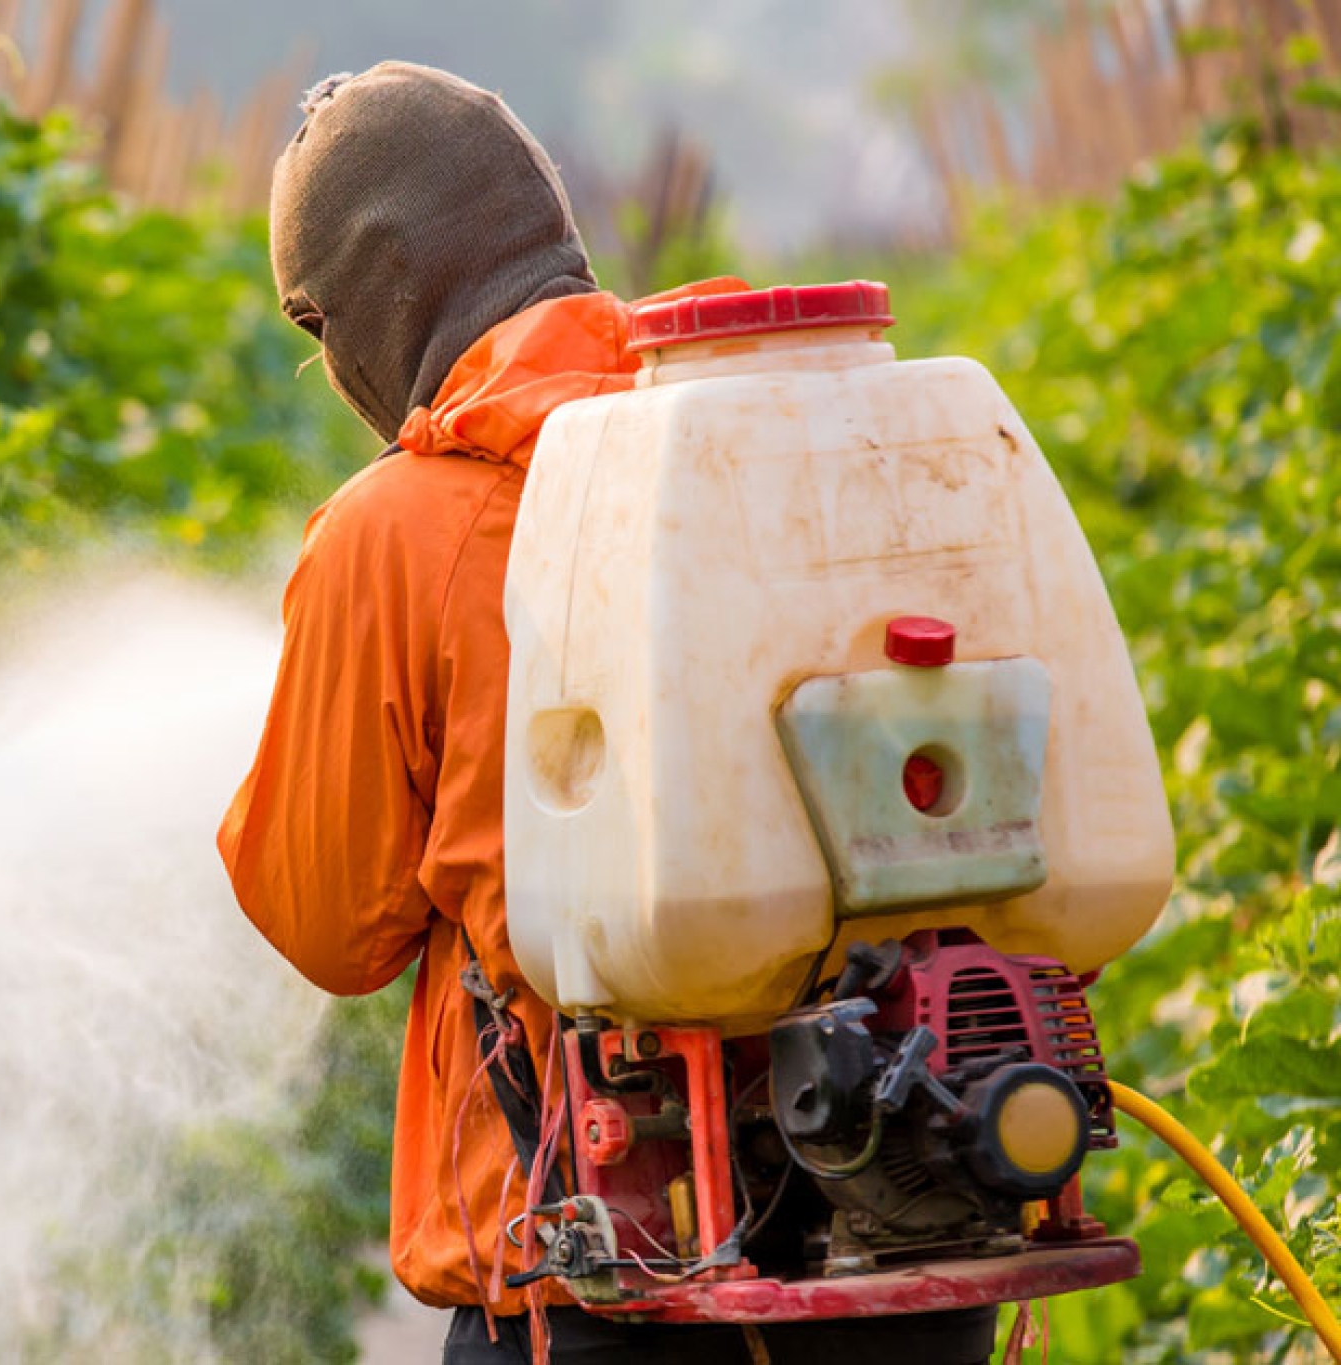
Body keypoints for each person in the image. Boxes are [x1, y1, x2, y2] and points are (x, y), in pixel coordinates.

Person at [215, 62, 1002, 1365]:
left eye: (319, 322)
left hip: (590, 1277)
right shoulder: (782, 430)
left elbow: (329, 920)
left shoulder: (396, 534)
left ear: (388, 274)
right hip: (903, 1222)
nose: (335, 363)